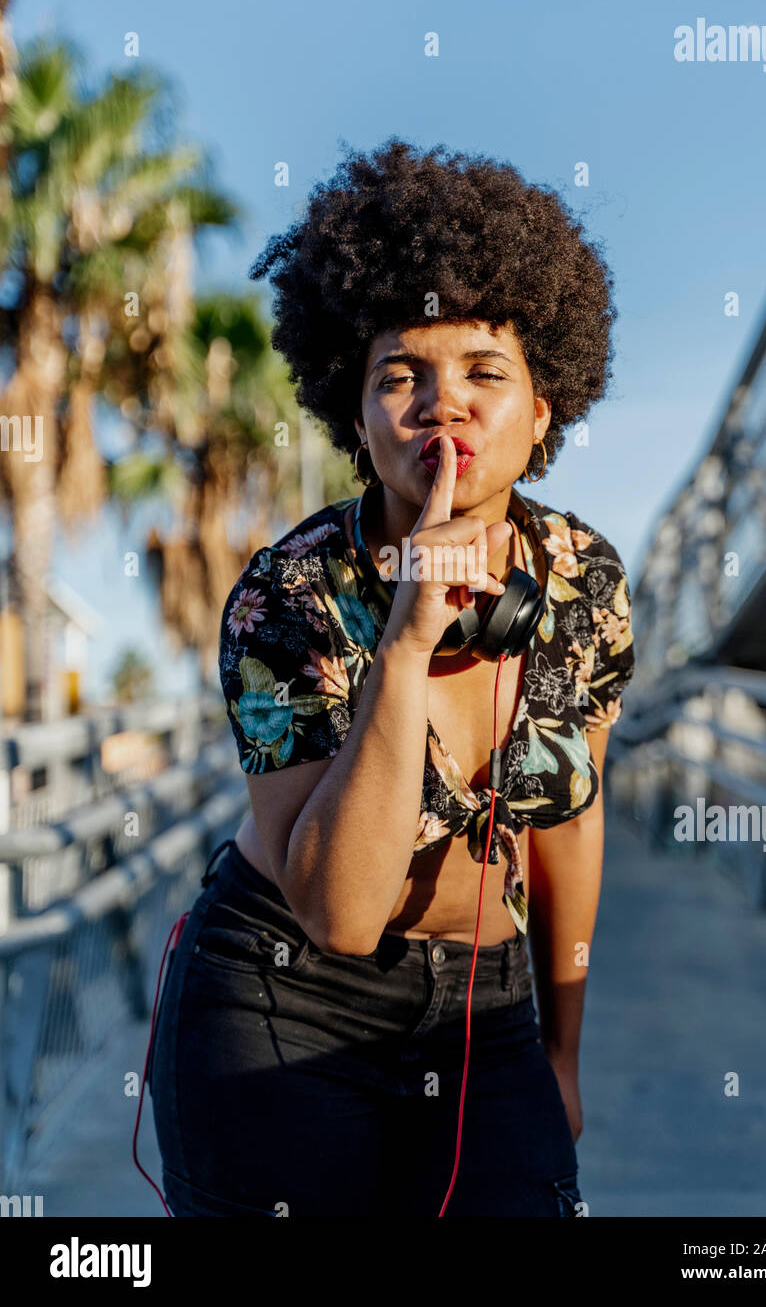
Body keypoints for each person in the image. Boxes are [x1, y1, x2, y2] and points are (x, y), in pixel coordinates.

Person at [148, 138, 635, 1217]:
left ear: (544, 407)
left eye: (483, 372)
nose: (441, 405)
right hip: (284, 999)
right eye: (399, 376)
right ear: (354, 416)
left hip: (486, 1011)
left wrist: (559, 1050)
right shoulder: (290, 596)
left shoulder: (583, 582)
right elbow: (342, 913)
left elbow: (567, 823)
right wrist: (406, 645)